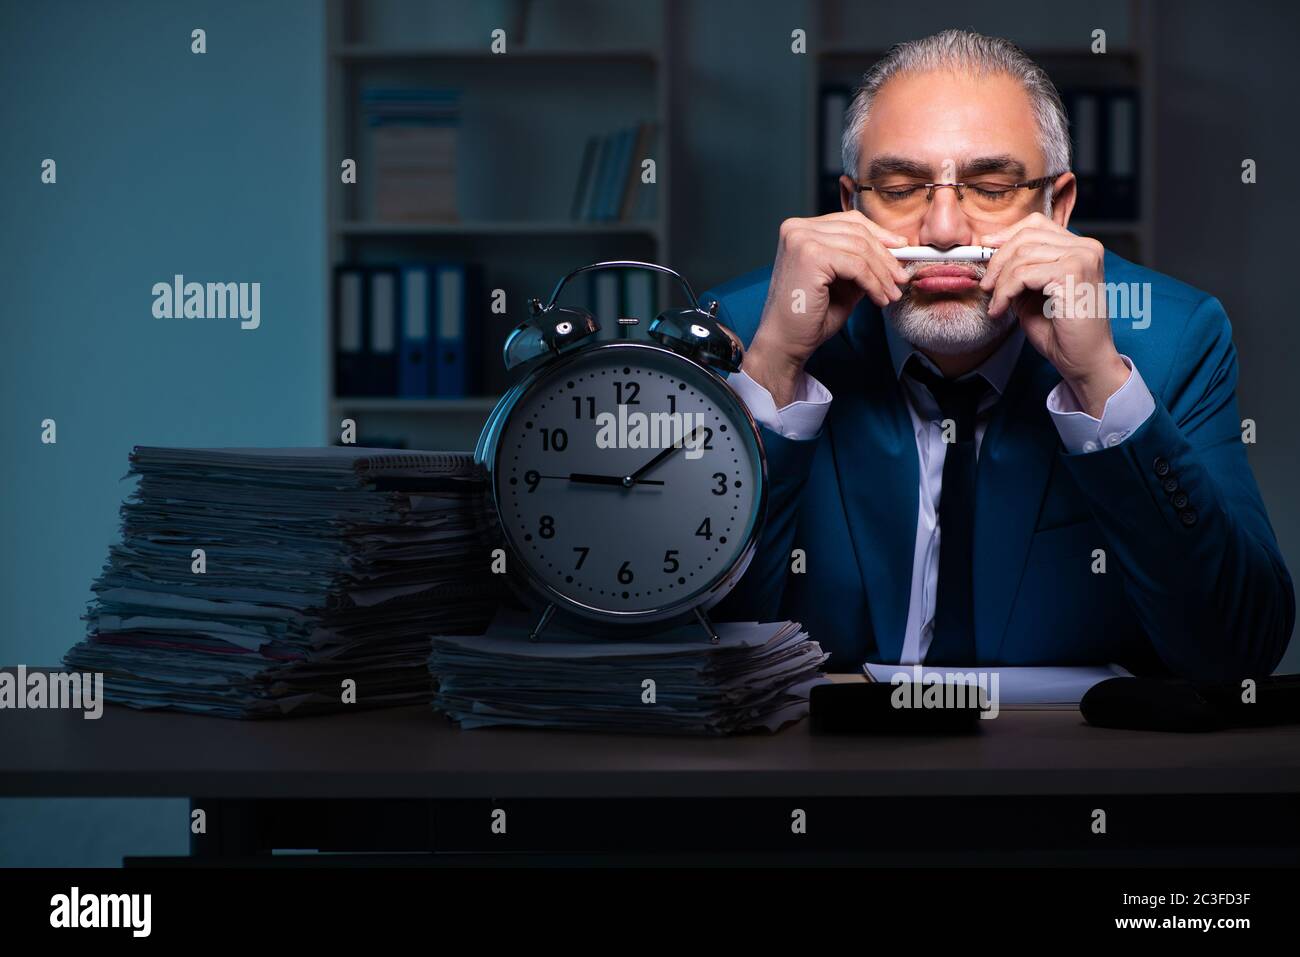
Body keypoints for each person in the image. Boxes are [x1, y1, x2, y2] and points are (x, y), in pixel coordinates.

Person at [706, 29, 1293, 679]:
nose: (945, 230)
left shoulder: (1173, 341)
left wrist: (1100, 387)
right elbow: (693, 642)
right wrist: (773, 372)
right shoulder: (743, 332)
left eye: (991, 187)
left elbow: (1240, 651)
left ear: (1058, 207)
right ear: (850, 207)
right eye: (900, 187)